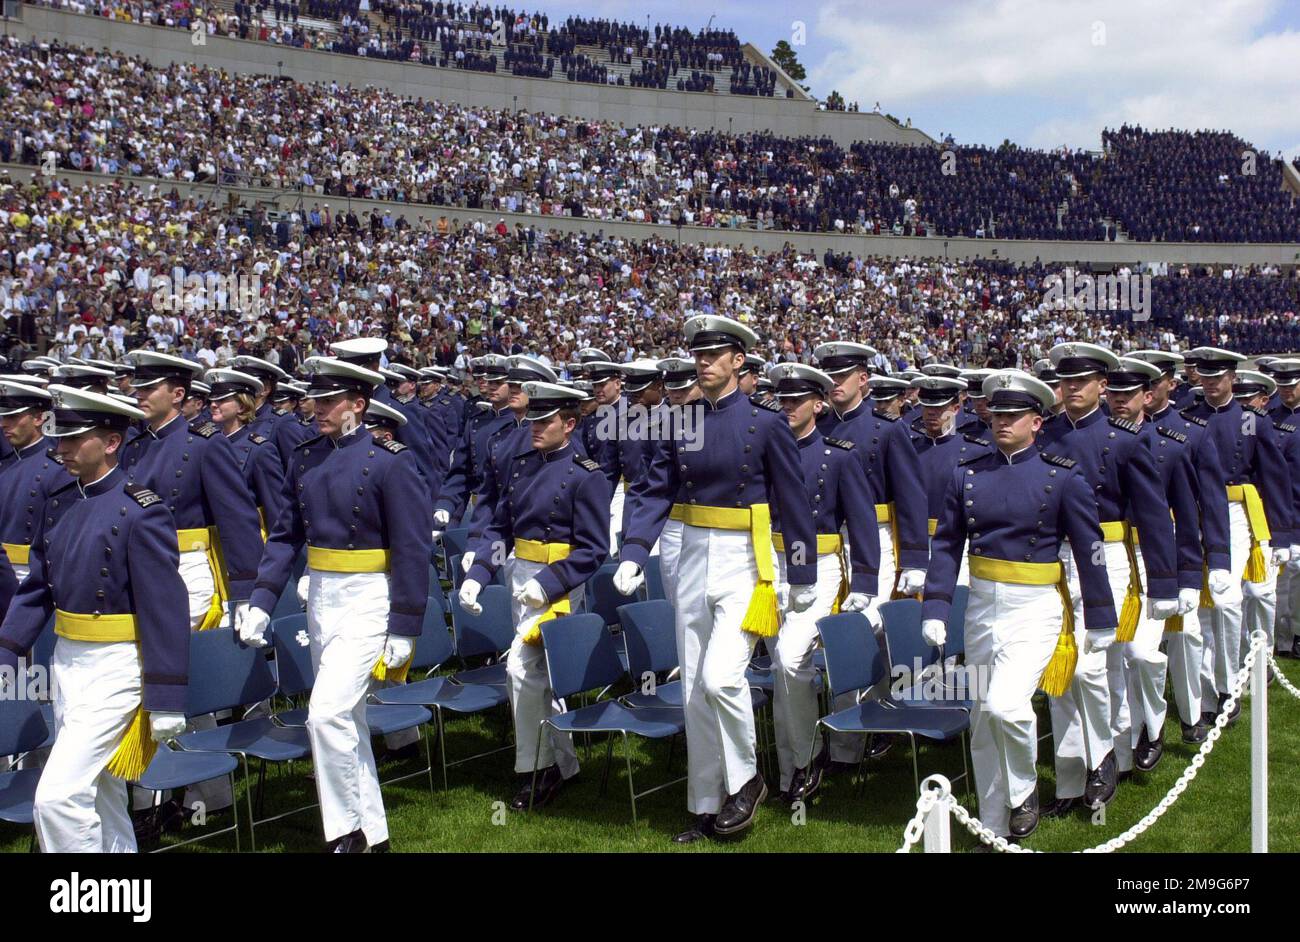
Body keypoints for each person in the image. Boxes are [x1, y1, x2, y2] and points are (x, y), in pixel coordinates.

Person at [616, 315, 817, 844]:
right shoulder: (680, 422)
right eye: (697, 354)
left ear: (738, 361)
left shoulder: (767, 423)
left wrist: (801, 571)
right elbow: (654, 490)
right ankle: (706, 802)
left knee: (721, 678)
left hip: (747, 564)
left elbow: (795, 503)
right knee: (693, 692)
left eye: (714, 354)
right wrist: (635, 550)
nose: (703, 362)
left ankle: (747, 782)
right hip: (693, 558)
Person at [236, 356, 432, 852]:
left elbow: (411, 547)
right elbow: (284, 537)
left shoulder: (390, 461)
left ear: (358, 404)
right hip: (321, 597)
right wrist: (262, 599)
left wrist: (406, 625)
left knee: (325, 714)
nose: (316, 408)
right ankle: (376, 833)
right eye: (314, 399)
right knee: (349, 720)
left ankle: (346, 833)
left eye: (328, 400)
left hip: (369, 598)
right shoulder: (304, 458)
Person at [922, 370, 1116, 842]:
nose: (1002, 423)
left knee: (1008, 706)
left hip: (1034, 609)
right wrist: (935, 607)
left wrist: (1101, 615)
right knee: (984, 717)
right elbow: (947, 545)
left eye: (1013, 415)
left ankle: (1023, 790)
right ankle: (992, 823)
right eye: (997, 415)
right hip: (982, 608)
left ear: (1037, 421)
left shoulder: (1062, 479)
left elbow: (1089, 549)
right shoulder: (967, 475)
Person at [0, 386, 189, 853]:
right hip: (68, 663)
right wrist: (6, 649)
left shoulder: (141, 511)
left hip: (117, 669)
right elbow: (39, 587)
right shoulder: (60, 500)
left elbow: (165, 608)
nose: (59, 447)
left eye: (73, 438)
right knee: (102, 792)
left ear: (110, 442)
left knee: (57, 797)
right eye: (59, 436)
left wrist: (166, 697)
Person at [1037, 342, 1177, 816]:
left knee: (1098, 667)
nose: (1072, 389)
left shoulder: (1124, 439)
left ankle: (1107, 758)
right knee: (1060, 675)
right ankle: (1072, 780)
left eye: (1082, 381)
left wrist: (1164, 585)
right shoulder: (1046, 434)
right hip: (1056, 561)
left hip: (1108, 555)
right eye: (1066, 381)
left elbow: (1155, 517)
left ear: (1102, 385)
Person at [458, 382, 611, 811]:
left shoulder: (586, 475)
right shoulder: (522, 466)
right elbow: (501, 528)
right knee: (538, 676)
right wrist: (479, 572)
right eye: (535, 420)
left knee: (522, 671)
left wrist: (549, 583)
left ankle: (536, 769)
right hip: (520, 573)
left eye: (546, 421)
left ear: (570, 423)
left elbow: (594, 548)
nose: (536, 428)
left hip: (558, 584)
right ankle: (564, 764)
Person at [764, 363, 880, 804]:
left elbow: (863, 522)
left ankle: (807, 761)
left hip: (822, 567)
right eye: (783, 400)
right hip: (766, 566)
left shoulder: (839, 455)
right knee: (779, 668)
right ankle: (791, 768)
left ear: (818, 404)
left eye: (797, 401)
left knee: (791, 661)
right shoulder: (764, 449)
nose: (788, 407)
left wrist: (865, 581)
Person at [1102, 357, 1204, 771]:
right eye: (1114, 395)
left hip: (1150, 559)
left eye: (1128, 396)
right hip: (1107, 557)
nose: (1119, 403)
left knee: (1143, 655)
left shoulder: (1171, 446)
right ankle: (1119, 741)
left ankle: (1153, 725)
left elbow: (1186, 515)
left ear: (1147, 397)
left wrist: (1185, 578)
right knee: (1113, 656)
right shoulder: (1101, 440)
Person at [1183, 347, 1291, 727]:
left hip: (1236, 509)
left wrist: (1283, 534)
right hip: (1192, 510)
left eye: (1218, 377)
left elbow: (1274, 478)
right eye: (1205, 377)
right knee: (1200, 609)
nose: (1210, 384)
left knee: (1228, 599)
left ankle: (1228, 685)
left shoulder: (1252, 420)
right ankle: (1207, 691)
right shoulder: (1188, 418)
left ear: (1232, 377)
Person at [1131, 349, 1231, 743]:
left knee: (1186, 635)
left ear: (1169, 384)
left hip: (1175, 546)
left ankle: (1192, 712)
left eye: (1153, 383)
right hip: (1128, 550)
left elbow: (1209, 500)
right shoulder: (1114, 433)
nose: (1148, 391)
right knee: (1133, 650)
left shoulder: (1188, 433)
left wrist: (1214, 559)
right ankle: (1142, 727)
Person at [204, 369, 286, 537]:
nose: (213, 404)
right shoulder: (205, 444)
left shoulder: (260, 450)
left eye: (222, 400)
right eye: (212, 399)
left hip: (245, 538)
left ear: (241, 406)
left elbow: (275, 510)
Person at [0, 380, 64, 584]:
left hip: (27, 573)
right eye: (3, 416)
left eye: (13, 416)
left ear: (38, 418)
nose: (3, 423)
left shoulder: (56, 468)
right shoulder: (7, 461)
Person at [1268, 358, 1300, 659]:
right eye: (1283, 385)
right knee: (1284, 581)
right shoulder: (1271, 416)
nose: (1287, 391)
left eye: (1292, 385)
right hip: (1284, 509)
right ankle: (1284, 639)